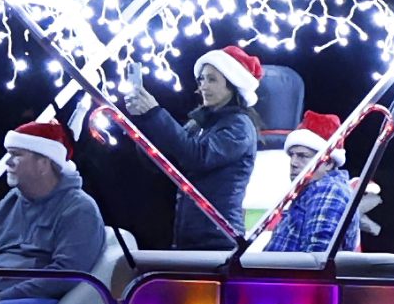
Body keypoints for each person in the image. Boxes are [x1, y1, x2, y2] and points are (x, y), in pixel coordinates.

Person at [0, 120, 106, 304]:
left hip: (48, 301)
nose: (7, 162)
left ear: (43, 163)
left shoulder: (79, 209)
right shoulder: (6, 205)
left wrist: (1, 298)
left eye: (17, 154)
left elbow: (65, 275)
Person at [121, 43, 261, 249]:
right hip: (189, 237)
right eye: (202, 79)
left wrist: (155, 114)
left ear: (232, 84)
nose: (203, 86)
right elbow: (161, 162)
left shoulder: (239, 125)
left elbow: (197, 156)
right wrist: (144, 121)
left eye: (212, 79)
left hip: (219, 240)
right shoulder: (200, 123)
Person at [267, 111, 362, 254]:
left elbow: (317, 260)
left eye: (302, 156)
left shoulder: (329, 190)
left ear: (328, 163)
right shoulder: (310, 192)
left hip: (286, 276)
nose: (293, 162)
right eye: (292, 155)